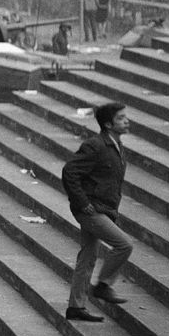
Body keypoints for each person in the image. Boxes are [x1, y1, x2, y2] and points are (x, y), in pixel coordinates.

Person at [61, 101, 132, 322]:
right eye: (121, 118)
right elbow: (69, 172)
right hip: (91, 210)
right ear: (108, 124)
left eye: (125, 117)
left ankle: (76, 307)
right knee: (124, 244)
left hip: (103, 208)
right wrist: (82, 203)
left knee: (88, 256)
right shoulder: (96, 145)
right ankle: (103, 285)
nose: (127, 121)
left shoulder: (116, 145)